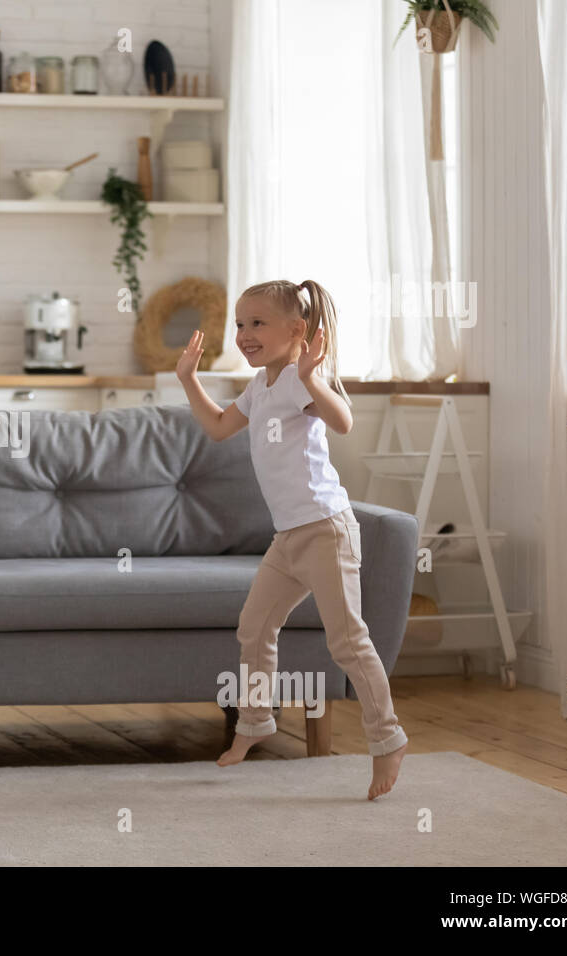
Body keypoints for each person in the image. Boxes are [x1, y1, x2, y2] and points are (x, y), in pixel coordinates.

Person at [175, 279, 410, 800]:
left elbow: (344, 422)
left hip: (326, 529)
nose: (245, 333)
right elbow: (216, 427)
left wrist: (313, 378)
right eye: (240, 323)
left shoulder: (302, 381)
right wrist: (189, 379)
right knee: (254, 628)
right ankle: (255, 723)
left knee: (348, 641)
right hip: (288, 538)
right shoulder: (260, 386)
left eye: (257, 322)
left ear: (296, 329)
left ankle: (387, 737)